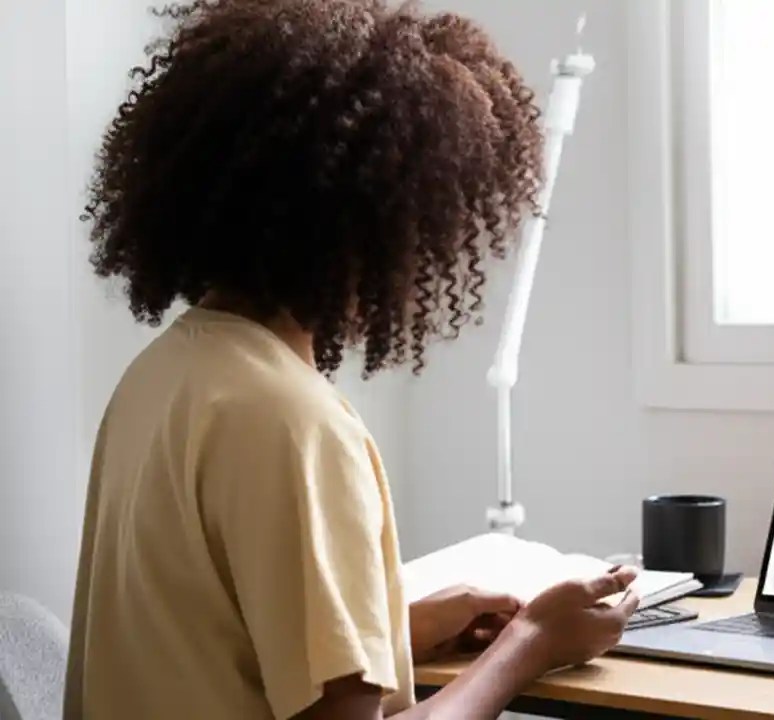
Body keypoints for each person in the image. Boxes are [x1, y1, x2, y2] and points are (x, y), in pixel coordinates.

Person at [64, 1, 639, 718]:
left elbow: (209, 647)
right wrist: (529, 642)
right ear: (392, 223)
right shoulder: (294, 425)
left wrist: (394, 627)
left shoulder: (165, 377)